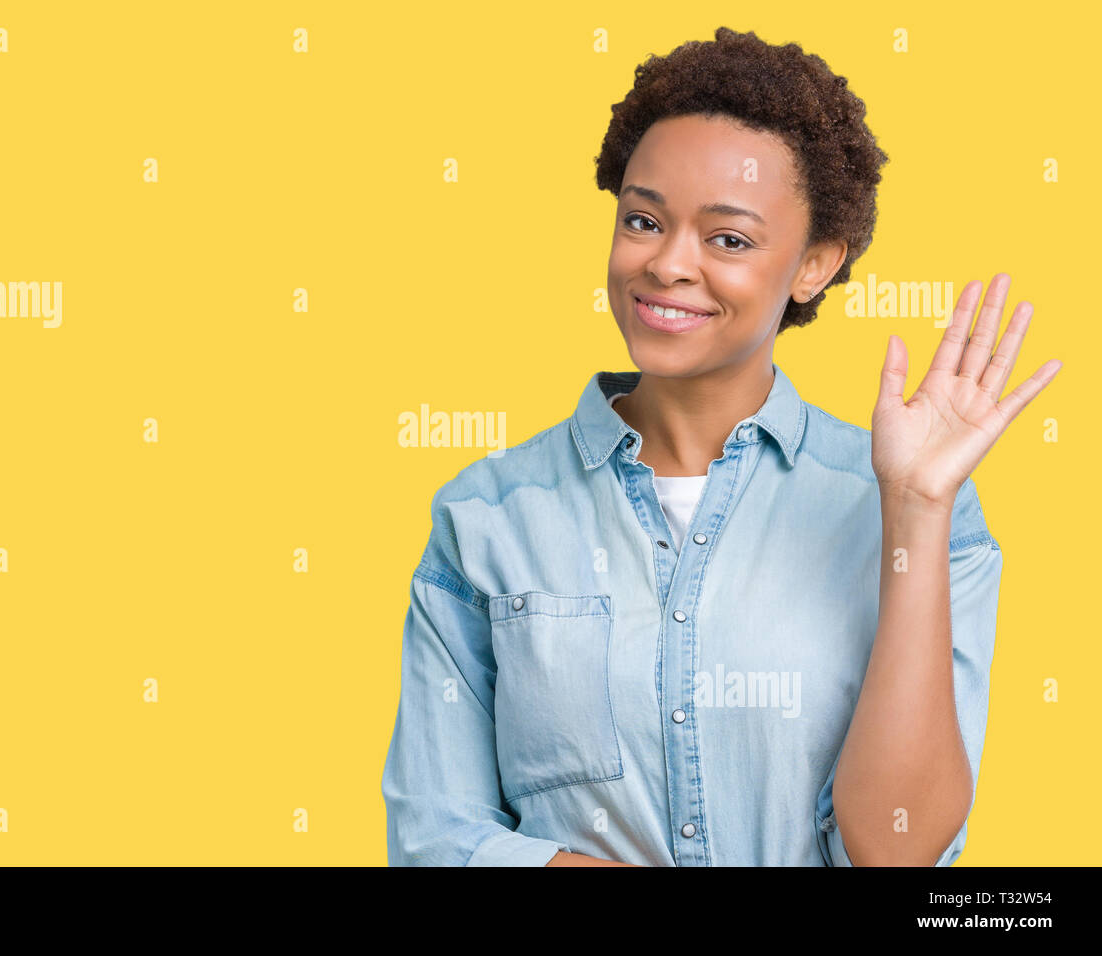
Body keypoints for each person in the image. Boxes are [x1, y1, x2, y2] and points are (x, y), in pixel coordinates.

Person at [380, 26, 1061, 866]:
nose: (667, 264)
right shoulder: (484, 517)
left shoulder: (917, 512)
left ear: (814, 264)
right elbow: (435, 838)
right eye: (642, 220)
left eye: (727, 239)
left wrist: (915, 513)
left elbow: (896, 853)